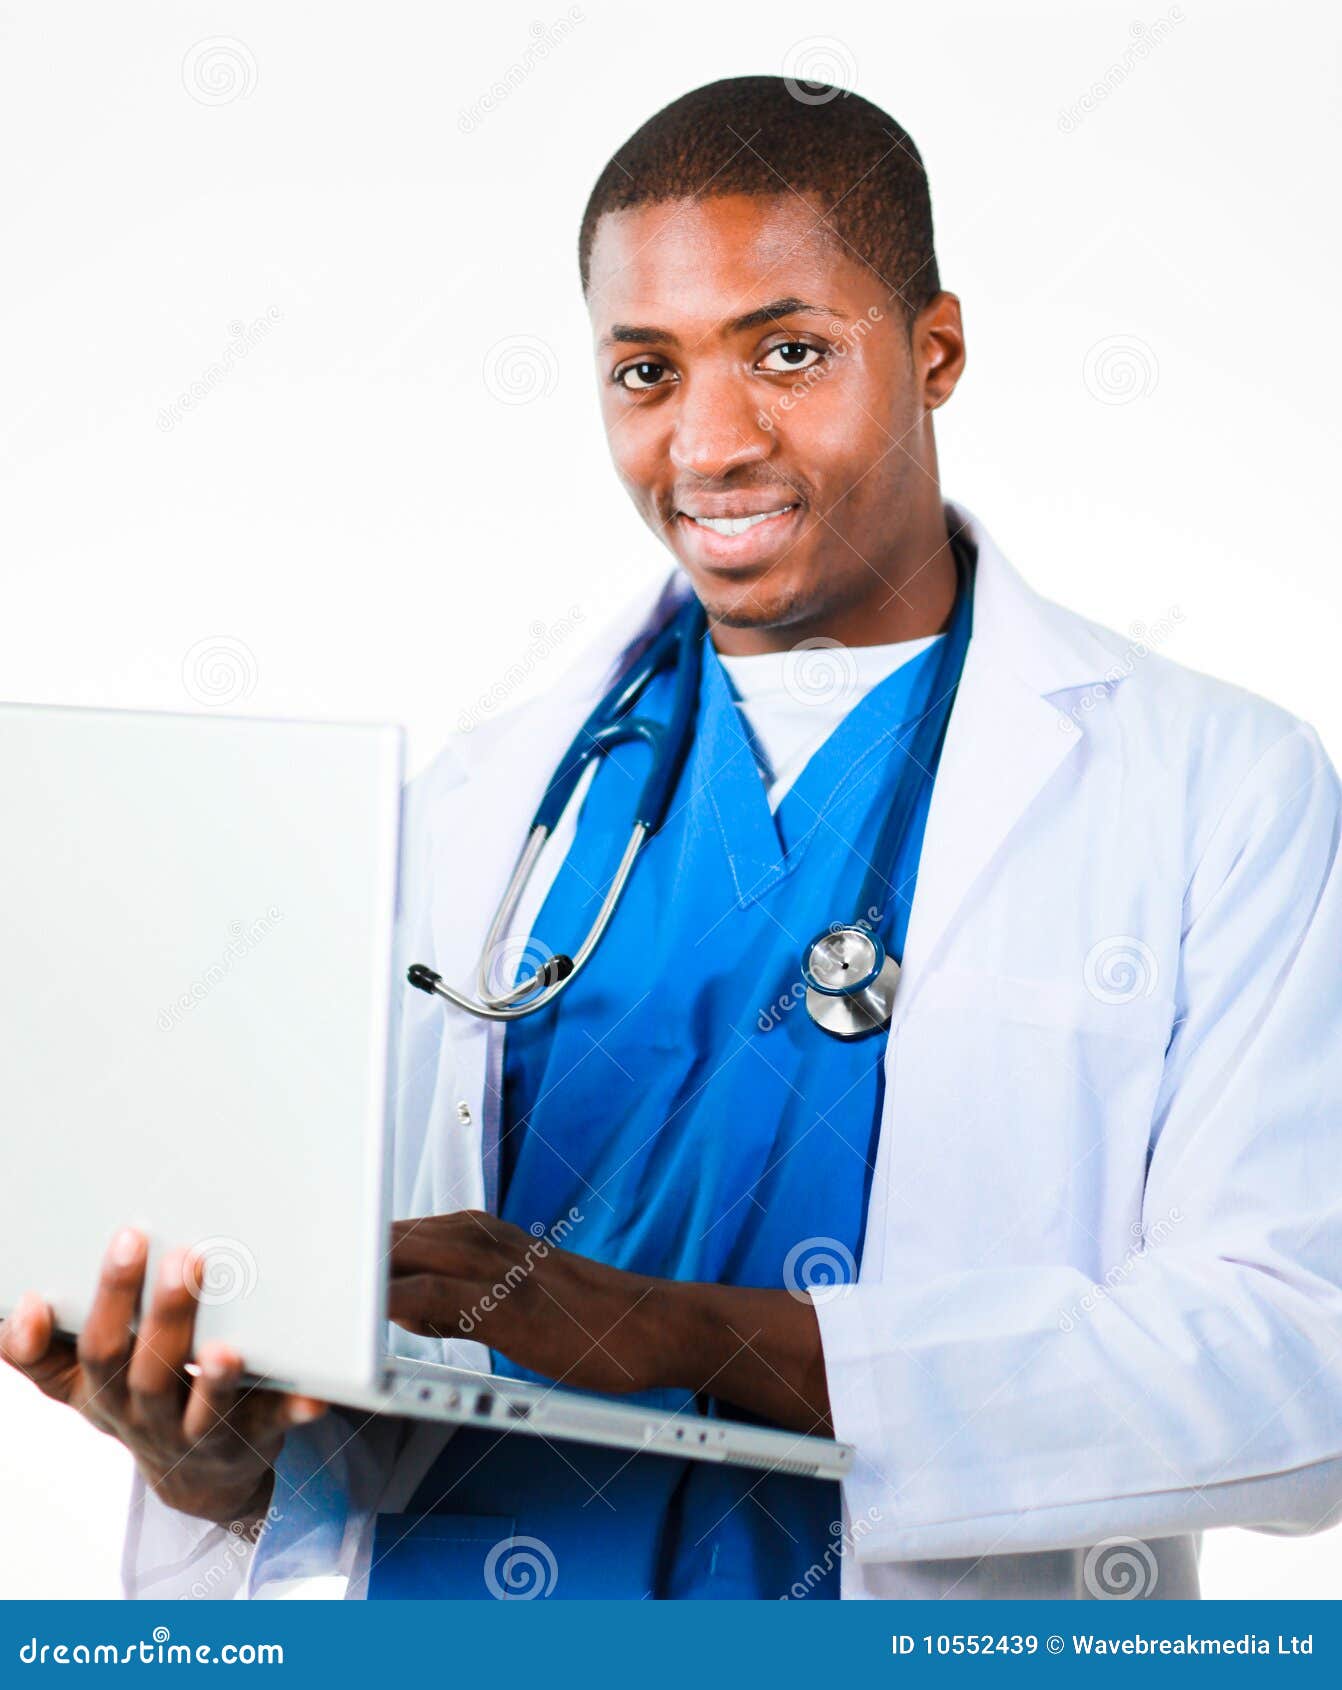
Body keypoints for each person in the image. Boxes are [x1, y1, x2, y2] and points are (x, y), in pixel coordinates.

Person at [5, 75, 1342, 1603]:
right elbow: (351, 1381)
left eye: (788, 351)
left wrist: (688, 1328)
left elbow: (1299, 1362)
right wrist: (206, 1450)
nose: (708, 443)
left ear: (935, 350)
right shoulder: (482, 805)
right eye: (645, 370)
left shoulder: (1216, 788)